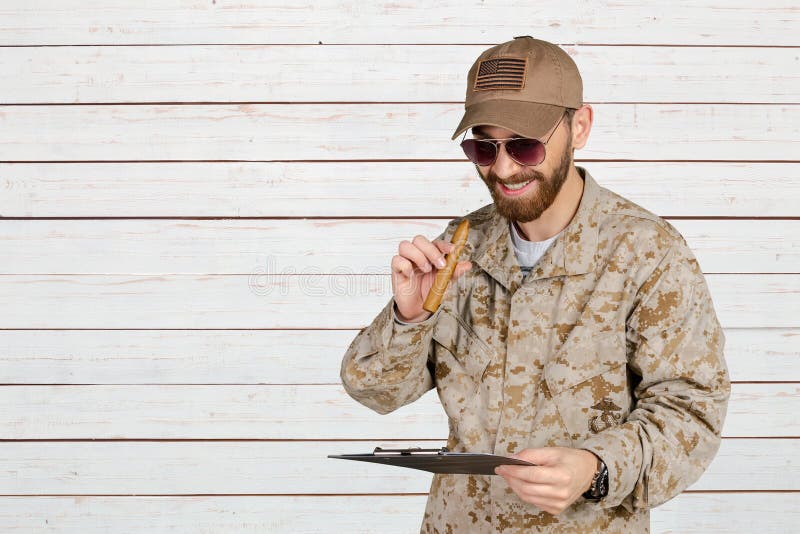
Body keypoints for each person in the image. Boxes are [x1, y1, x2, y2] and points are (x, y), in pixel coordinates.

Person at [340, 35, 730, 533]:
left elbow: (691, 413)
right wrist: (410, 319)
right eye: (484, 147)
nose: (503, 168)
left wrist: (596, 466)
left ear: (580, 126)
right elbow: (375, 391)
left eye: (525, 145)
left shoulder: (646, 254)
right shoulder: (459, 249)